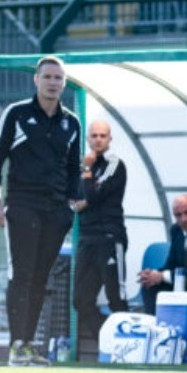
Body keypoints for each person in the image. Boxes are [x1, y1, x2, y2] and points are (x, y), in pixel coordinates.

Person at [0, 56, 82, 367]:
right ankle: (16, 345)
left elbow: (72, 168)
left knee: (41, 278)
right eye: (48, 77)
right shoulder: (16, 114)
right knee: (22, 275)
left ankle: (28, 345)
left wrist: (71, 204)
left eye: (58, 78)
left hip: (56, 211)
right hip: (23, 205)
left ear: (64, 83)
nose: (53, 82)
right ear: (36, 80)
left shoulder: (72, 122)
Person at [71, 120, 129, 339]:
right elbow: (73, 198)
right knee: (80, 300)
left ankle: (128, 346)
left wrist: (87, 172)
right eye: (94, 135)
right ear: (88, 139)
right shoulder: (81, 166)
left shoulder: (115, 164)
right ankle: (112, 338)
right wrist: (84, 198)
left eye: (102, 136)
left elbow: (93, 194)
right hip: (87, 239)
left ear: (110, 139)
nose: (98, 139)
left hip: (109, 237)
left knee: (117, 297)